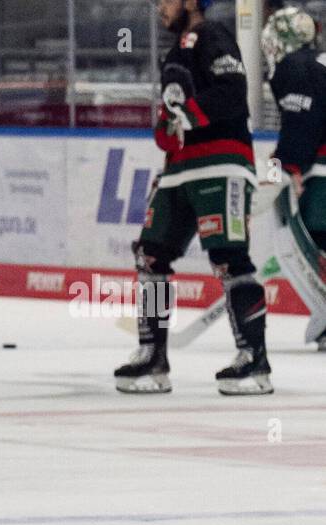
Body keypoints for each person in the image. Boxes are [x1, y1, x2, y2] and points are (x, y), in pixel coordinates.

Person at [115, 0, 271, 395]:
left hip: (222, 165)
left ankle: (254, 361)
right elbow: (174, 111)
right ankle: (153, 356)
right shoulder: (175, 50)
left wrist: (186, 116)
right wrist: (167, 127)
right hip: (180, 170)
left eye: (165, 0)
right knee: (150, 255)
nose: (158, 8)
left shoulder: (213, 35)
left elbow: (233, 92)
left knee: (228, 257)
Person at [263, 5, 326, 349]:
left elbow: (298, 134)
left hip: (324, 175)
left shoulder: (295, 67)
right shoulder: (317, 62)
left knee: (311, 237)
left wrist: (276, 171)